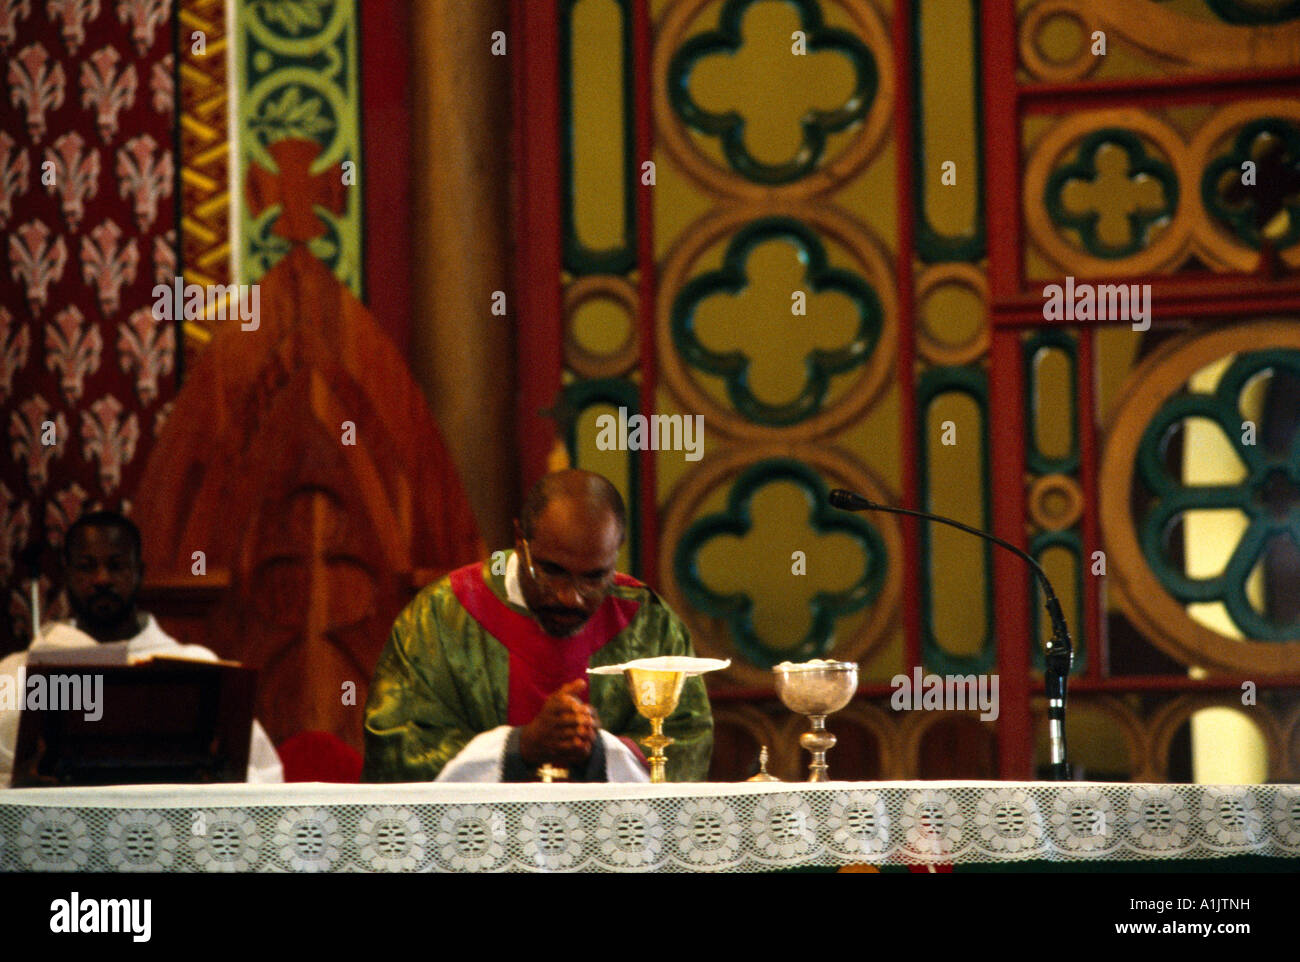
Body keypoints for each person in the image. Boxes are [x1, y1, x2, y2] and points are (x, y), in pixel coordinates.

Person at [363, 469, 713, 782]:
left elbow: (688, 743)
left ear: (616, 553)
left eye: (594, 577)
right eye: (551, 571)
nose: (570, 598)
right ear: (520, 541)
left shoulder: (650, 624)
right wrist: (520, 746)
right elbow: (393, 746)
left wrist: (594, 750)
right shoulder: (442, 616)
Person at [0, 510, 283, 786]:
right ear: (66, 575)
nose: (102, 579)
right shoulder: (18, 675)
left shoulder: (198, 668)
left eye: (116, 565)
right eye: (87, 566)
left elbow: (261, 778)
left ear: (140, 573)